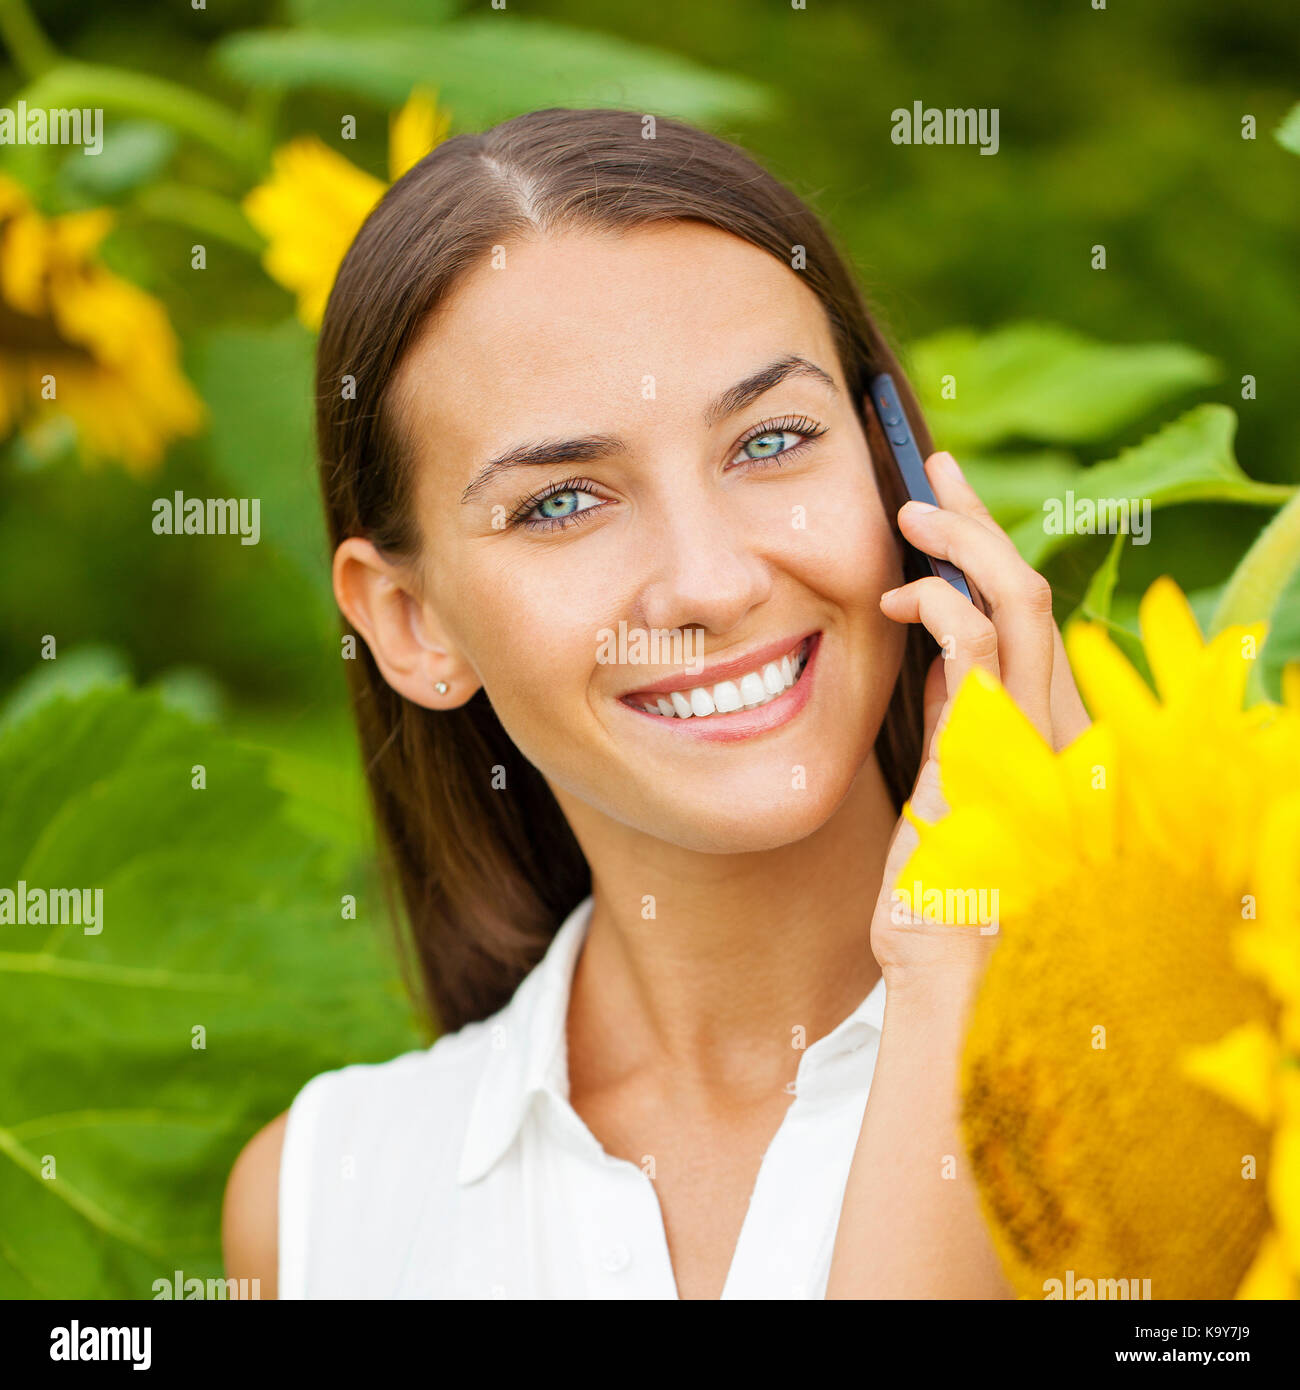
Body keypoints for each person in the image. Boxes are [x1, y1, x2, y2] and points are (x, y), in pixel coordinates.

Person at [222, 107, 1090, 1299]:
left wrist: (965, 958)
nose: (714, 580)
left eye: (773, 439)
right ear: (409, 623)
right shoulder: (327, 1204)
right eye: (564, 503)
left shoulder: (1199, 1045)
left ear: (892, 463)